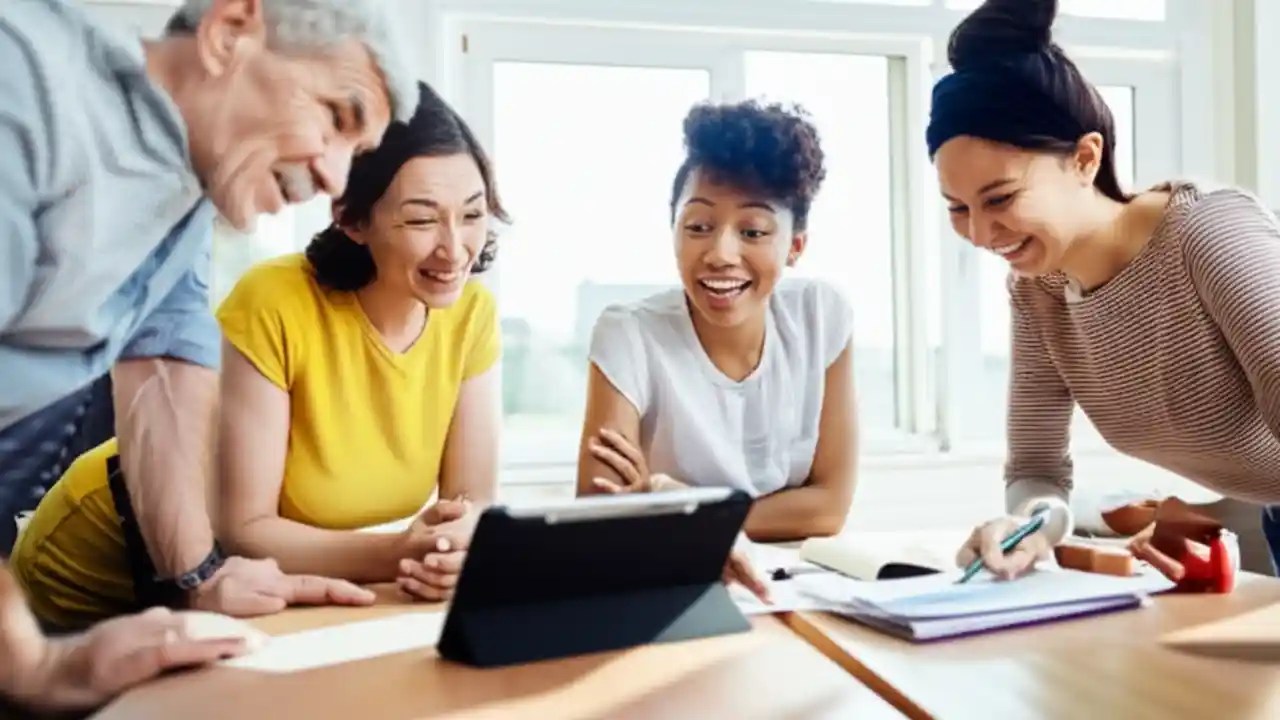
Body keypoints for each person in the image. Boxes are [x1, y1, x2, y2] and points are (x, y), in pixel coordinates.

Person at [0, 0, 419, 712]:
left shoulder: (188, 196)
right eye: (334, 117)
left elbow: (163, 372)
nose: (335, 181)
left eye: (358, 154)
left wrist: (199, 577)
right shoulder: (25, 85)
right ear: (230, 32)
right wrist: (35, 668)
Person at [9, 82, 506, 631]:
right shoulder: (276, 300)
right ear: (351, 219)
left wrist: (453, 551)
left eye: (473, 214)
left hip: (236, 587)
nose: (455, 248)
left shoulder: (471, 315)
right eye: (421, 219)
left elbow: (471, 506)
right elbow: (244, 528)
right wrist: (399, 553)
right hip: (103, 567)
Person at [931, 0, 1280, 579]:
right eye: (957, 208)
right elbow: (1037, 464)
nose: (980, 233)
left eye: (1000, 199)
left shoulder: (1206, 233)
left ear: (1085, 158)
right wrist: (1031, 528)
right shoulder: (1037, 290)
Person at [576, 99, 859, 549]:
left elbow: (828, 508)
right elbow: (603, 511)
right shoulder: (628, 333)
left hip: (794, 582)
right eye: (698, 226)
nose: (721, 254)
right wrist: (762, 514)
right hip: (672, 577)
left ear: (795, 245)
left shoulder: (820, 316)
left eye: (753, 232)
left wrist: (681, 506)